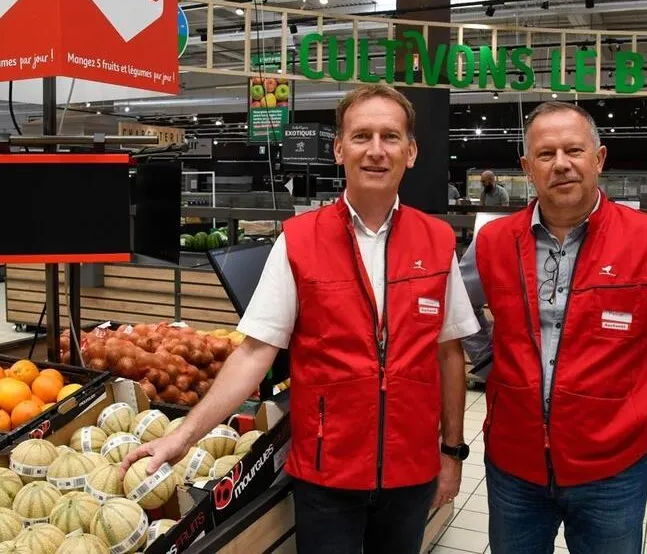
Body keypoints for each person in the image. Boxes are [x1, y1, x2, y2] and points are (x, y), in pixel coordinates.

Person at [121, 85, 482, 554]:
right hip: (326, 471)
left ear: (410, 152)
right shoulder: (299, 240)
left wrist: (451, 453)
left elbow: (449, 354)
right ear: (338, 149)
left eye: (390, 137)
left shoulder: (436, 241)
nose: (376, 150)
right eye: (361, 136)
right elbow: (254, 352)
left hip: (410, 470)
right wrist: (183, 436)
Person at [459, 101, 647, 554]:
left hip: (613, 471)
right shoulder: (493, 242)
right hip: (514, 465)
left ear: (598, 159)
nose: (561, 164)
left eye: (574, 150)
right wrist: (487, 359)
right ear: (527, 167)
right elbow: (457, 306)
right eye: (545, 154)